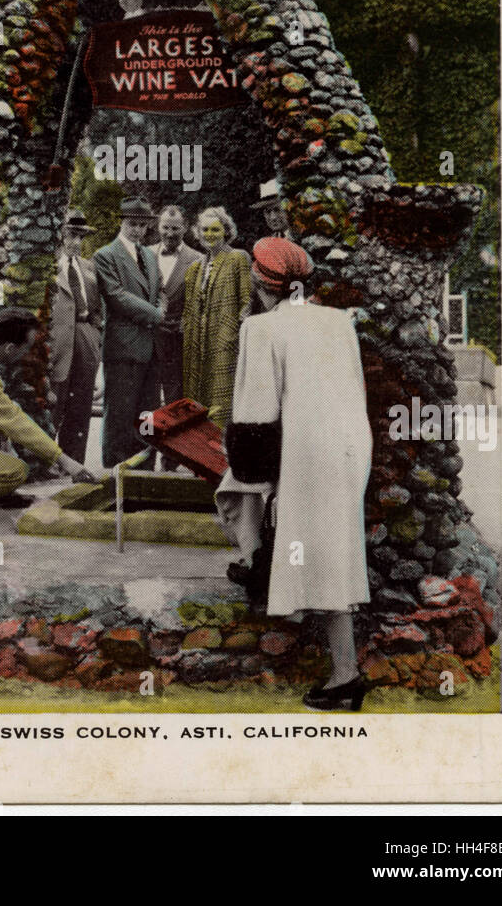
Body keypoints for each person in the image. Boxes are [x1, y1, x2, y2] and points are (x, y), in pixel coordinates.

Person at [217, 237, 373, 712]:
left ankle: (345, 675)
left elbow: (255, 414)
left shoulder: (260, 329)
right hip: (350, 448)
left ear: (262, 284)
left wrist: (254, 479)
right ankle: (345, 671)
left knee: (251, 509)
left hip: (305, 455)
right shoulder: (339, 321)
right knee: (335, 555)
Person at [0, 307, 93, 517]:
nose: (27, 352)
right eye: (26, 347)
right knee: (15, 471)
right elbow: (16, 423)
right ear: (9, 348)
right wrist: (66, 462)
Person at [93, 197, 163, 468]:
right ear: (121, 223)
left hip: (150, 346)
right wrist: (155, 314)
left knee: (148, 414)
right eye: (132, 224)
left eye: (142, 225)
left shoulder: (148, 255)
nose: (137, 230)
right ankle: (116, 473)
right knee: (120, 414)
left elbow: (161, 290)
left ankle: (143, 469)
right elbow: (116, 295)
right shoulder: (105, 255)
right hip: (123, 347)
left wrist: (162, 306)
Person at [181, 206, 251, 430]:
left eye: (215, 229)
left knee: (222, 402)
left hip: (225, 343)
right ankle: (202, 458)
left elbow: (247, 303)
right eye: (204, 230)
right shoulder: (194, 267)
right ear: (198, 233)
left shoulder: (237, 258)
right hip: (197, 344)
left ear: (226, 231)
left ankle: (224, 457)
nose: (209, 234)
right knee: (198, 400)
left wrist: (234, 335)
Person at [48, 210, 102, 464]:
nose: (76, 243)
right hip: (58, 342)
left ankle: (75, 465)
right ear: (59, 234)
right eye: (71, 235)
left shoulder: (89, 268)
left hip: (84, 339)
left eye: (80, 237)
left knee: (80, 407)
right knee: (54, 404)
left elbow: (97, 310)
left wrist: (94, 337)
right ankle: (48, 463)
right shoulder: (48, 266)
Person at [146, 205, 203, 406]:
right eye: (165, 227)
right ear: (157, 226)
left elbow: (199, 302)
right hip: (148, 338)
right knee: (146, 398)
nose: (169, 234)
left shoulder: (198, 260)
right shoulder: (144, 255)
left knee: (175, 399)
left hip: (178, 341)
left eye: (175, 228)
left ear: (185, 227)